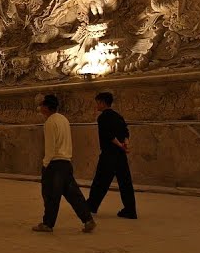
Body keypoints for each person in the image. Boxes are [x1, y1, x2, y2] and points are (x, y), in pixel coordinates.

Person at [32, 94, 96, 233]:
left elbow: (50, 146)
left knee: (51, 195)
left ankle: (47, 224)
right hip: (66, 162)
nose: (40, 107)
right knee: (74, 195)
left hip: (54, 164)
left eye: (42, 105)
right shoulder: (63, 119)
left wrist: (45, 163)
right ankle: (88, 219)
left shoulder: (49, 122)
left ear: (47, 107)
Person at [86, 91, 137, 219]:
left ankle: (91, 205)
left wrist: (119, 145)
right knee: (125, 183)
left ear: (103, 102)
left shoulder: (103, 117)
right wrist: (125, 145)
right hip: (120, 155)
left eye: (97, 103)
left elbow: (108, 135)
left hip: (108, 154)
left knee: (100, 182)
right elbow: (126, 133)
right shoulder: (118, 116)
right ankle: (130, 210)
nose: (96, 105)